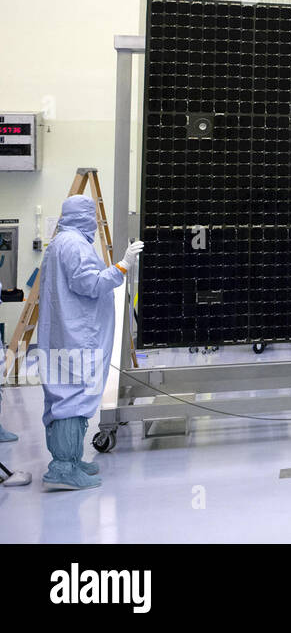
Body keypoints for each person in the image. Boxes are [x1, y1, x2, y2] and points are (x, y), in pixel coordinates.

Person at [36, 195, 143, 490]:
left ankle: (69, 459)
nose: (95, 222)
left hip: (62, 336)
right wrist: (122, 266)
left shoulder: (59, 242)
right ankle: (62, 467)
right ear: (84, 216)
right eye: (92, 215)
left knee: (62, 398)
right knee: (73, 398)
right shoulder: (74, 245)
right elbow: (91, 284)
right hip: (76, 338)